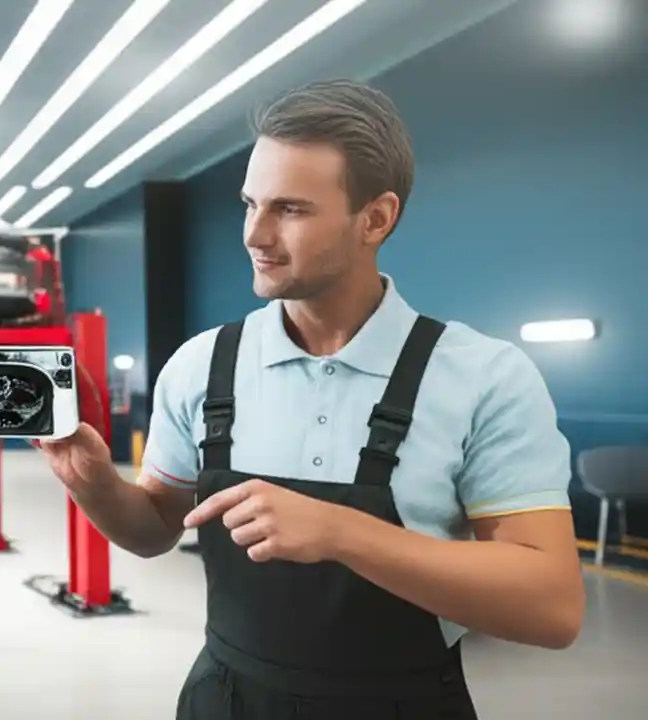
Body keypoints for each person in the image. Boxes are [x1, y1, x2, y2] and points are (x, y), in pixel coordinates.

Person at [40, 79, 585, 719]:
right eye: (250, 204)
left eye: (290, 210)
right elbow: (159, 527)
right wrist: (95, 484)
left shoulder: (484, 377)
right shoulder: (202, 366)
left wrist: (341, 531)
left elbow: (552, 607)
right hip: (227, 700)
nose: (255, 234)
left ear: (376, 218)